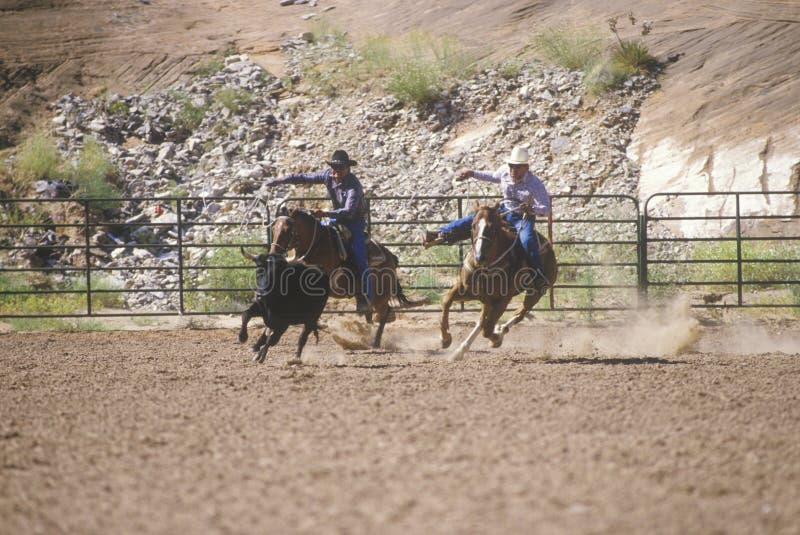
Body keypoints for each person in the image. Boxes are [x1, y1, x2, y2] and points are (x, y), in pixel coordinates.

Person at [420, 146, 551, 292]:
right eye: (511, 165)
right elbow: (493, 176)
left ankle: (538, 274)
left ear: (526, 167)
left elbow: (546, 208)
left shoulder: (535, 183)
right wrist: (472, 173)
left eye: (517, 166)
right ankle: (440, 233)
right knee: (476, 219)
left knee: (527, 239)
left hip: (523, 216)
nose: (513, 169)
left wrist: (532, 209)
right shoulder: (505, 172)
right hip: (504, 209)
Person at [266, 149, 372, 313]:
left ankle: (366, 297)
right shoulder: (327, 175)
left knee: (360, 258)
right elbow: (304, 178)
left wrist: (326, 213)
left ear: (348, 169)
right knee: (314, 233)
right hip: (335, 219)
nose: (336, 174)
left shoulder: (354, 186)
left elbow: (349, 210)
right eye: (334, 170)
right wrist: (282, 180)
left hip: (354, 223)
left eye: (340, 170)